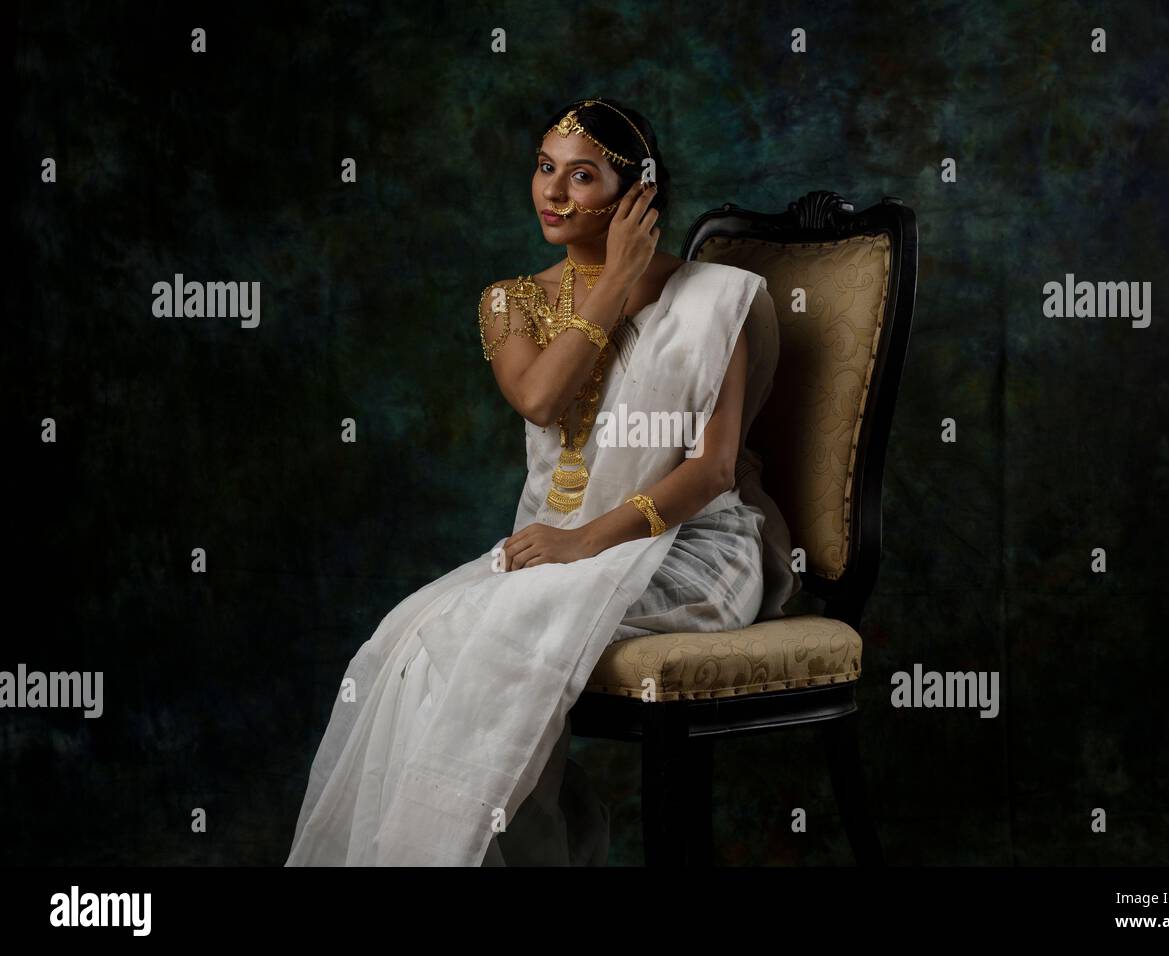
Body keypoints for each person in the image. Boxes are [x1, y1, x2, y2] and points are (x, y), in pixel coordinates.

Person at [286, 97, 799, 867]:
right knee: (413, 647)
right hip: (556, 550)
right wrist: (613, 281)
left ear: (637, 197)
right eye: (544, 167)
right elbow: (540, 399)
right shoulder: (510, 301)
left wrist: (585, 541)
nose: (552, 194)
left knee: (489, 642)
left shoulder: (714, 299)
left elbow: (713, 470)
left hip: (691, 550)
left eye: (582, 177)